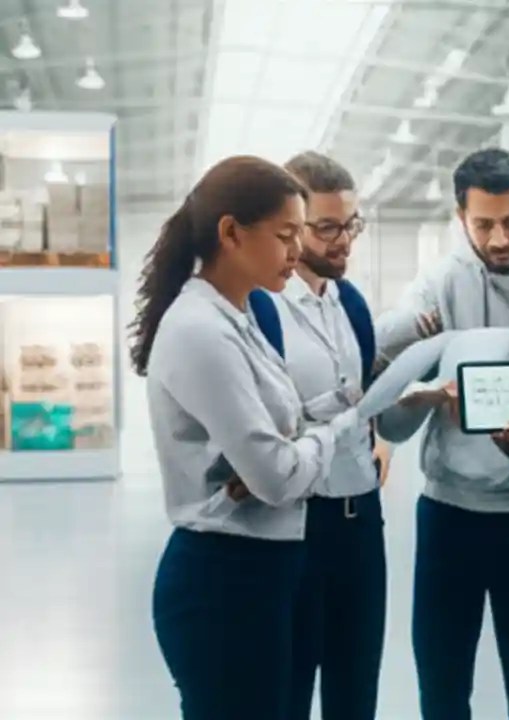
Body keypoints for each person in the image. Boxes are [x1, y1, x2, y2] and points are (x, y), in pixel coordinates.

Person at [133, 156, 364, 720]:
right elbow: (276, 476)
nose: (296, 250)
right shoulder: (199, 330)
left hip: (261, 575)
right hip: (222, 583)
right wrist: (331, 434)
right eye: (286, 235)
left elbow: (283, 433)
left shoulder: (236, 317)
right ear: (231, 233)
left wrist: (335, 412)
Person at [375, 148, 509, 720]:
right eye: (484, 224)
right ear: (460, 218)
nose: (500, 238)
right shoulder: (435, 289)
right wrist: (419, 390)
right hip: (450, 516)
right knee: (443, 684)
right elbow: (391, 409)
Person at [244, 151, 386, 720]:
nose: (343, 241)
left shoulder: (350, 302)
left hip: (362, 522)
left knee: (356, 691)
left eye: (350, 224)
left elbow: (366, 400)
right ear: (290, 228)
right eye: (326, 227)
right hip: (297, 528)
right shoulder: (261, 307)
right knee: (290, 689)